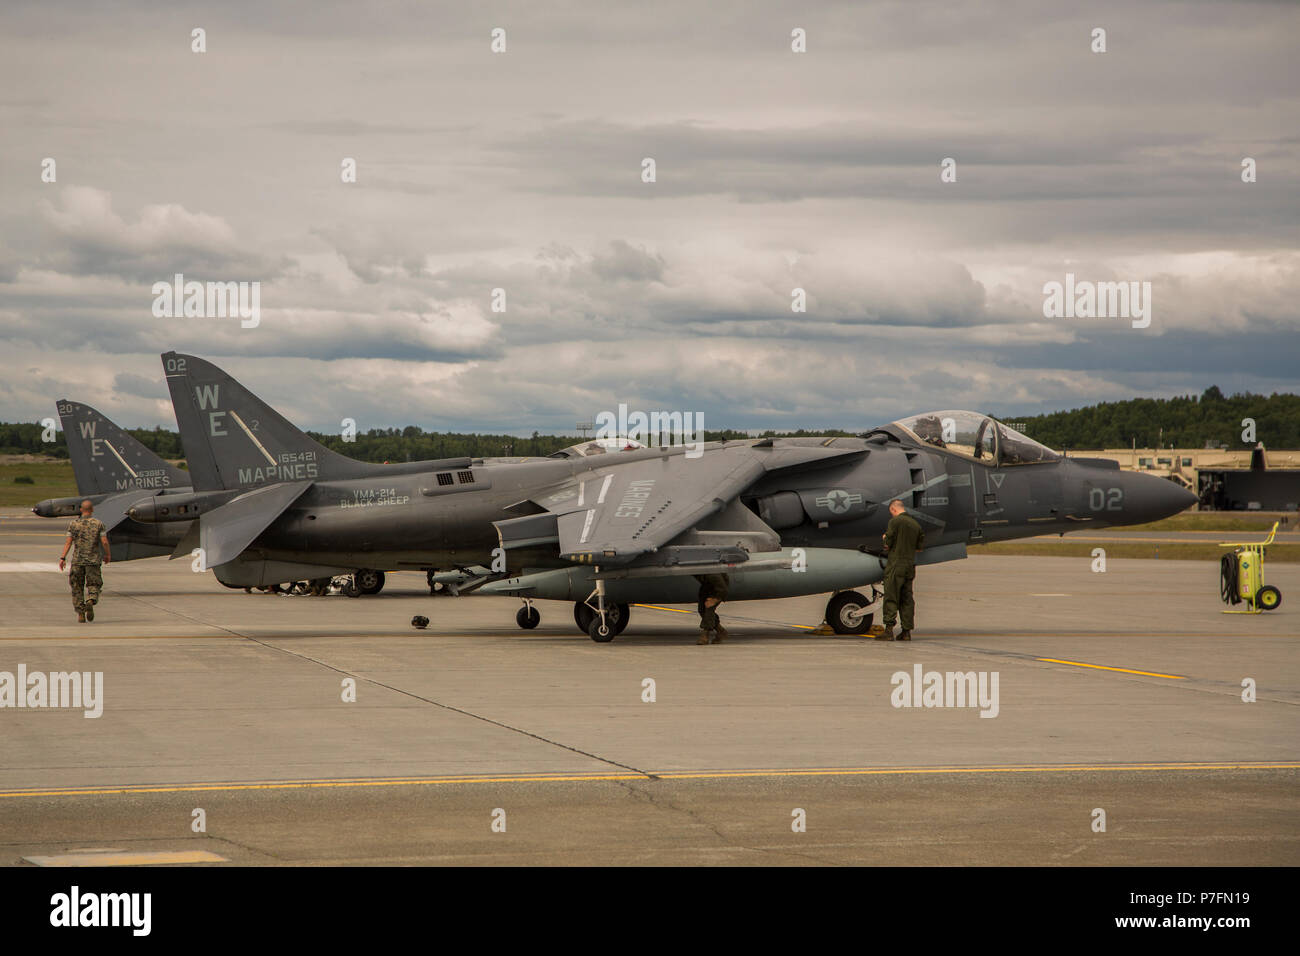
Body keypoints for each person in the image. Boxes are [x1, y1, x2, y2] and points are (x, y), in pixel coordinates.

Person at [876, 499, 923, 641]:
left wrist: (885, 538)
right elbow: (919, 547)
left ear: (893, 509)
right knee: (907, 598)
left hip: (896, 564)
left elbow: (887, 544)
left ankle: (889, 631)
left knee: (891, 596)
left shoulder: (895, 522)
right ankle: (906, 632)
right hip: (910, 565)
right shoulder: (916, 524)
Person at [59, 499, 110, 623]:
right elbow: (104, 541)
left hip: (77, 561)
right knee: (94, 584)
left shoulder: (73, 524)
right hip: (93, 561)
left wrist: (63, 557)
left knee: (76, 587)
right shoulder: (99, 524)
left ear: (81, 510)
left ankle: (80, 614)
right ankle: (90, 600)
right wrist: (107, 554)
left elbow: (68, 542)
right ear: (92, 510)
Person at [694, 573, 729, 645]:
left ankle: (705, 636)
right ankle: (721, 631)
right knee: (701, 610)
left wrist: (715, 599)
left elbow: (723, 589)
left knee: (709, 609)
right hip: (707, 585)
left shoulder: (712, 574)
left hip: (719, 589)